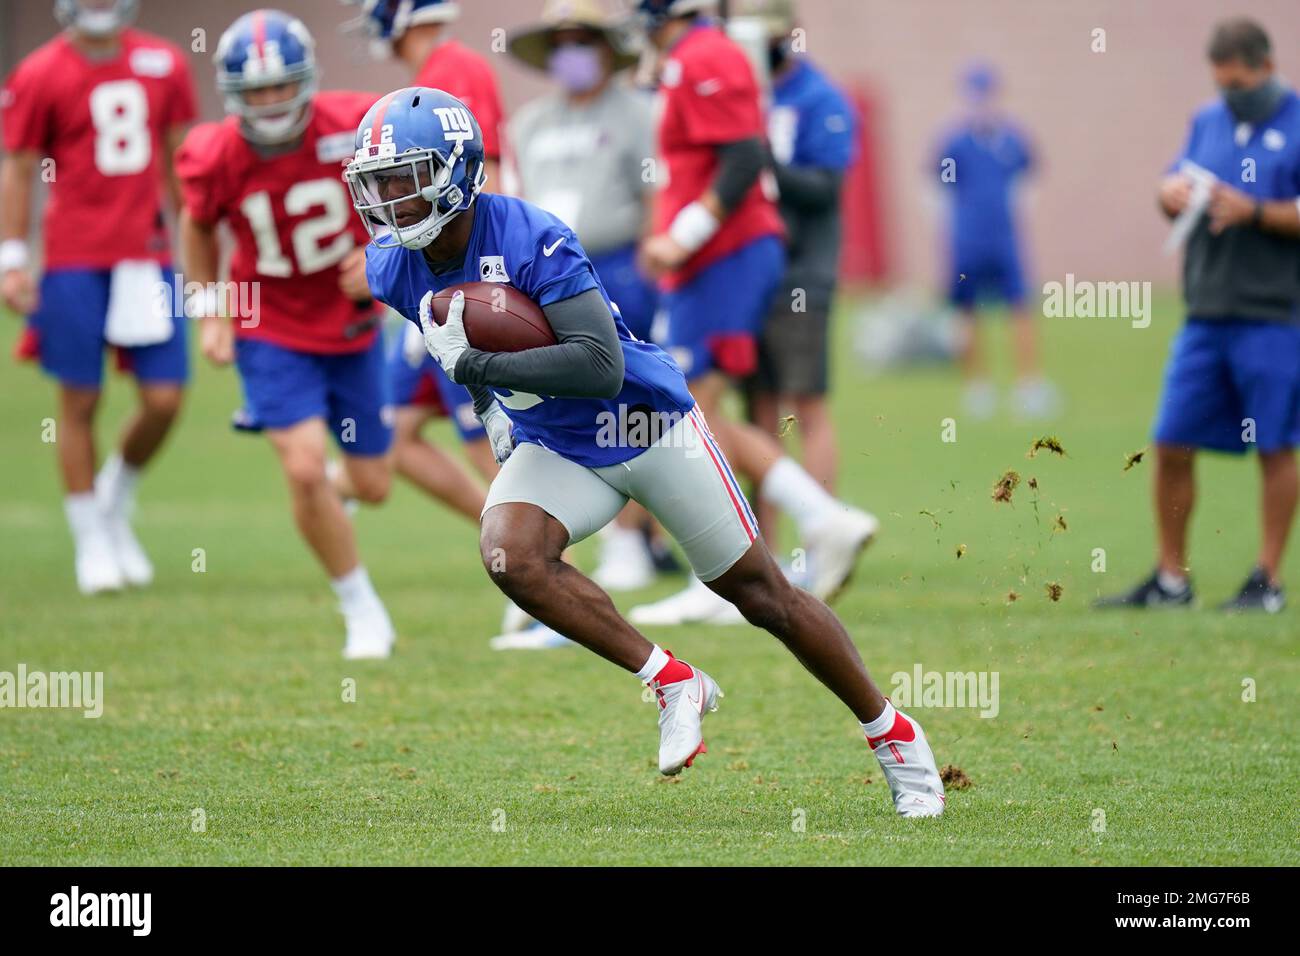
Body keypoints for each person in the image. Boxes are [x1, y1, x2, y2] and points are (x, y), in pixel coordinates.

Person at [348, 85, 944, 816]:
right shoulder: (391, 267)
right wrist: (487, 405)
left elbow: (597, 363)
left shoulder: (532, 235)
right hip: (561, 446)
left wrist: (487, 374)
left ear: (456, 171)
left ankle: (893, 733)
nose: (389, 201)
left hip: (643, 425)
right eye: (377, 184)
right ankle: (670, 680)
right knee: (510, 553)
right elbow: (456, 343)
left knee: (762, 595)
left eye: (404, 181)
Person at [628, 0, 878, 627]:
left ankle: (814, 521)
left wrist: (681, 237)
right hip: (715, 256)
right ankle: (790, 534)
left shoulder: (707, 54)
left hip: (724, 253)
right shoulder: (688, 56)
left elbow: (742, 159)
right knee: (689, 414)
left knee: (685, 412)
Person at [176, 10, 397, 659]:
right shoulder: (215, 151)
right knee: (302, 470)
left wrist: (384, 252)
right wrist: (210, 306)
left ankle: (331, 504)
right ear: (232, 91)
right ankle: (359, 604)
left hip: (350, 322)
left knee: (375, 483)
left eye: (282, 86)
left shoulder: (354, 124)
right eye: (258, 89)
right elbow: (197, 224)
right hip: (267, 320)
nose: (271, 101)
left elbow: (405, 197)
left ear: (305, 80)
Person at [1097, 18, 1300, 614]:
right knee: (1172, 442)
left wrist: (1256, 212)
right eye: (1222, 84)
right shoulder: (1207, 121)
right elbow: (1175, 175)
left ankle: (1267, 580)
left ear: (1266, 67)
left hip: (1273, 314)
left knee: (1275, 446)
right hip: (1205, 313)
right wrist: (1170, 195)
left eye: (1240, 83)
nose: (1231, 94)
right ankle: (1171, 581)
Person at [1, 0, 196, 595]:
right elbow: (20, 166)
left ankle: (114, 497)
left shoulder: (163, 62)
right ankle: (90, 537)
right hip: (73, 257)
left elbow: (179, 163)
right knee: (80, 401)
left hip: (148, 252)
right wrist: (12, 257)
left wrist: (197, 246)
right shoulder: (39, 73)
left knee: (165, 398)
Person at [352, 0, 533, 635]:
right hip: (435, 276)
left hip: (466, 278)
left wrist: (482, 283)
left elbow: (479, 177)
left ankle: (536, 569)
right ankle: (512, 549)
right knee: (396, 433)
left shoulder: (451, 71)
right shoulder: (432, 73)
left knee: (492, 434)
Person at [507, 0, 677, 598]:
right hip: (543, 274)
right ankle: (614, 537)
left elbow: (655, 188)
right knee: (564, 400)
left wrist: (656, 251)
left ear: (607, 49)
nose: (572, 52)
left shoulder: (636, 113)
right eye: (562, 42)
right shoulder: (529, 122)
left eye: (584, 39)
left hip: (616, 264)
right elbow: (518, 197)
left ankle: (637, 536)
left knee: (628, 396)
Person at [742, 0, 857, 543]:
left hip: (800, 274)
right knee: (759, 412)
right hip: (747, 275)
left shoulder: (818, 97)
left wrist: (764, 161)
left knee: (805, 406)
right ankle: (763, 547)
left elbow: (825, 188)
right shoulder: (743, 94)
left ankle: (824, 539)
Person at [933, 63, 1057, 420]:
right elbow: (937, 189)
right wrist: (949, 229)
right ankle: (978, 387)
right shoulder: (954, 142)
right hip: (967, 240)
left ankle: (1028, 385)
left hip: (1004, 238)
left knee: (1020, 307)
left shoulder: (1013, 139)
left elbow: (1029, 177)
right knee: (967, 310)